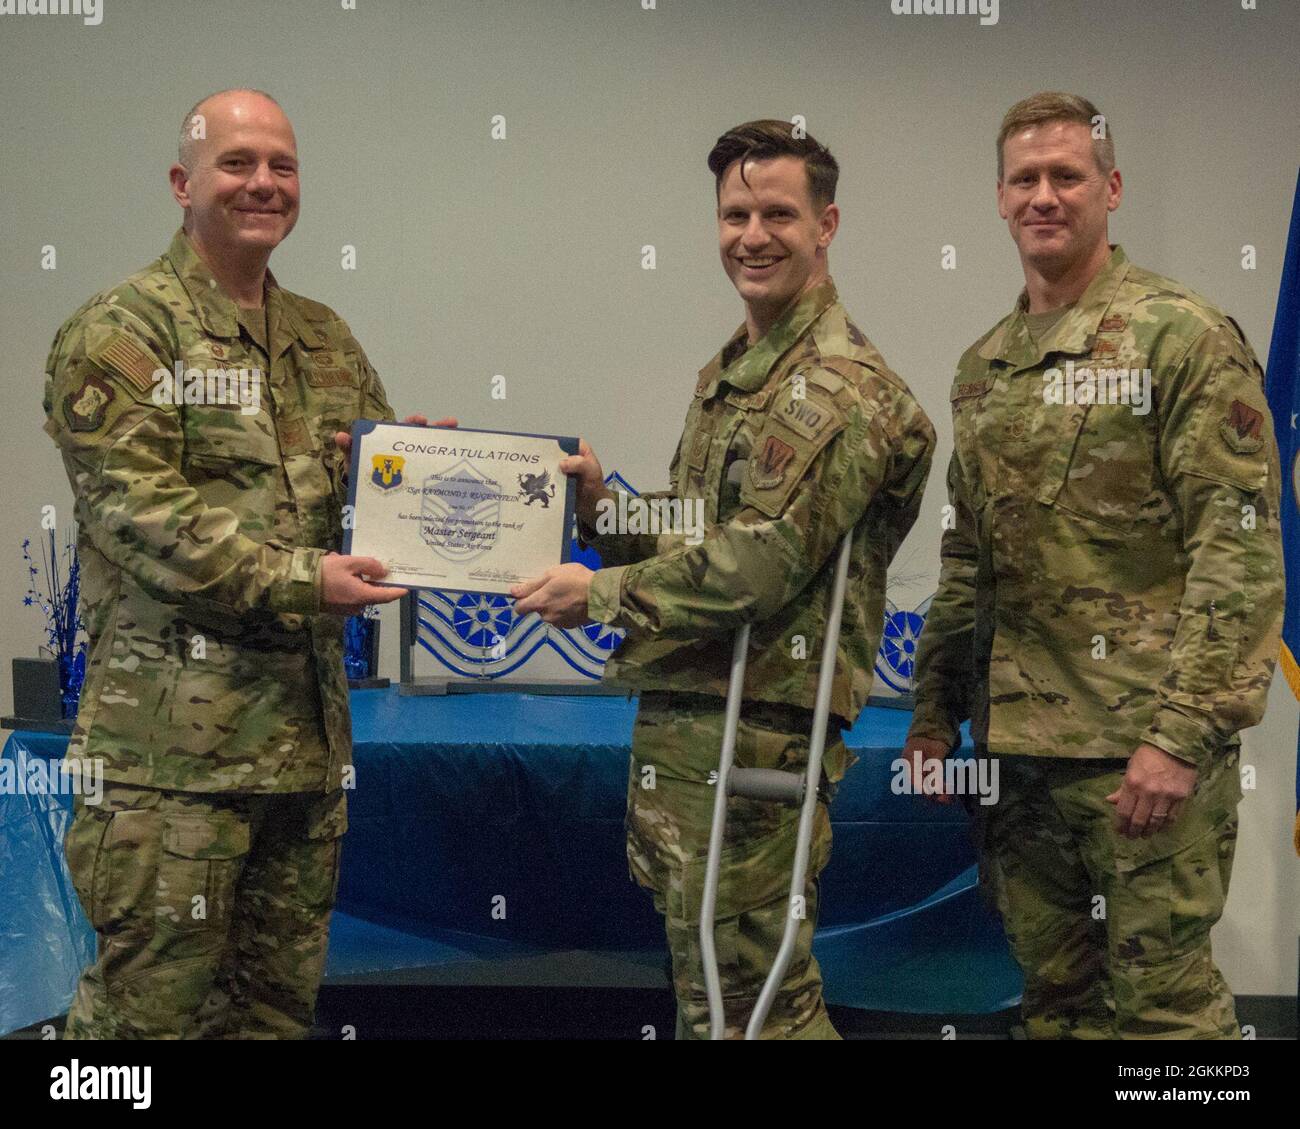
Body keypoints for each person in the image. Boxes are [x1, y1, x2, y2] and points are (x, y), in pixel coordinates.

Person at [513, 120, 935, 1039]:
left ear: (826, 224)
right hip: (698, 730)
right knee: (716, 997)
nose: (754, 234)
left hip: (760, 746)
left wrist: (601, 594)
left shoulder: (836, 388)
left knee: (759, 1007)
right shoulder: (741, 370)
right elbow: (701, 527)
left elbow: (759, 561)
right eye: (735, 213)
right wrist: (602, 511)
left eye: (778, 212)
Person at [44, 88, 449, 1038]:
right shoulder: (121, 333)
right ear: (185, 184)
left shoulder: (323, 338)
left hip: (302, 758)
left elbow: (358, 498)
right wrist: (308, 579)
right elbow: (147, 518)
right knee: (141, 1024)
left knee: (272, 1015)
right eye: (238, 163)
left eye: (282, 165)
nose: (263, 183)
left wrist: (418, 477)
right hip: (168, 768)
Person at [904, 92, 1284, 1039]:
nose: (1045, 196)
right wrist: (930, 713)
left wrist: (1180, 736)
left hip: (1138, 760)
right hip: (1018, 761)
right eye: (1024, 179)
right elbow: (967, 561)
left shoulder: (1182, 338)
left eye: (1066, 175)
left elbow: (1235, 550)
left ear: (1110, 188)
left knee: (1168, 1015)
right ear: (998, 198)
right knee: (1055, 1005)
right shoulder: (983, 368)